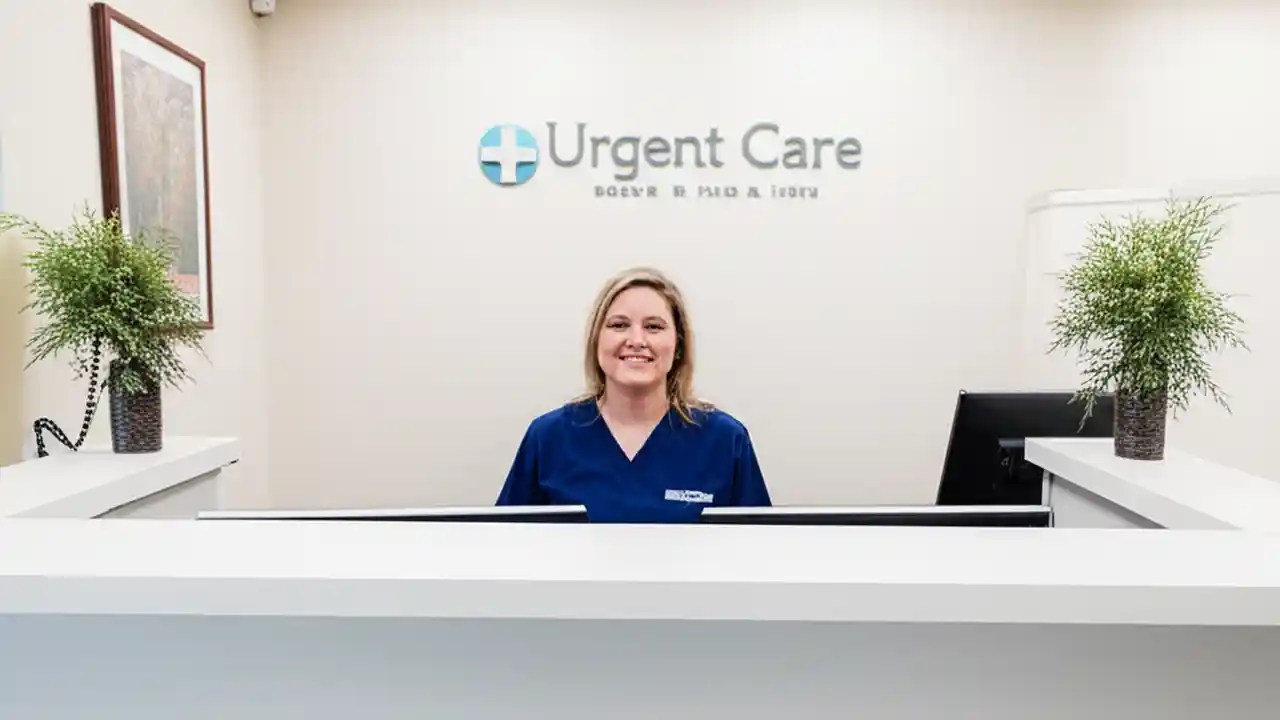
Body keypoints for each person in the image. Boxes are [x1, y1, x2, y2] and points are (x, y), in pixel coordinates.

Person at [496, 266, 771, 522]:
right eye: (619, 325)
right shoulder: (548, 438)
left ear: (677, 346)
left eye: (654, 327)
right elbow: (500, 550)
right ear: (596, 341)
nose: (637, 340)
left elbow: (761, 555)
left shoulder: (724, 441)